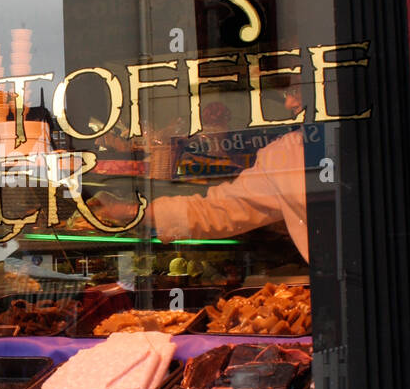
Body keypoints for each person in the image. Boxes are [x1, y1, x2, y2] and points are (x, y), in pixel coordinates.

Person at [91, 88, 309, 261]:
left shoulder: (291, 151)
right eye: (287, 93)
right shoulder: (285, 153)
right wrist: (133, 212)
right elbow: (220, 209)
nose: (289, 103)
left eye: (299, 90)